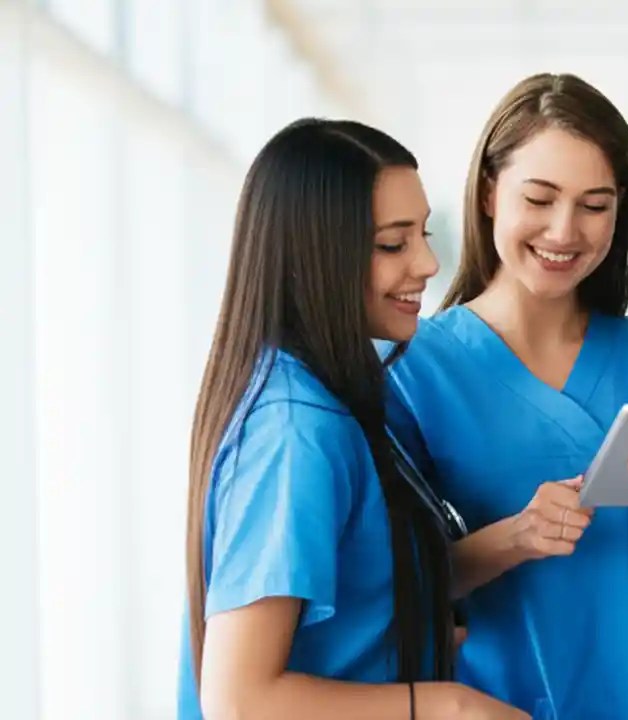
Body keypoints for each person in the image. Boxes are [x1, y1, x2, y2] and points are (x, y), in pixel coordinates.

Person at [387, 73, 628, 720]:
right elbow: (393, 589)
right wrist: (515, 538)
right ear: (489, 194)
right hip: (495, 703)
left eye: (595, 204)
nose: (565, 231)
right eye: (540, 198)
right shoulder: (414, 372)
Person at [178, 118, 527, 720]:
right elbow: (238, 699)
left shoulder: (327, 395)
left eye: (423, 233)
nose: (427, 263)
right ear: (315, 255)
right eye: (393, 244)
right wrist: (448, 705)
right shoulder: (293, 431)